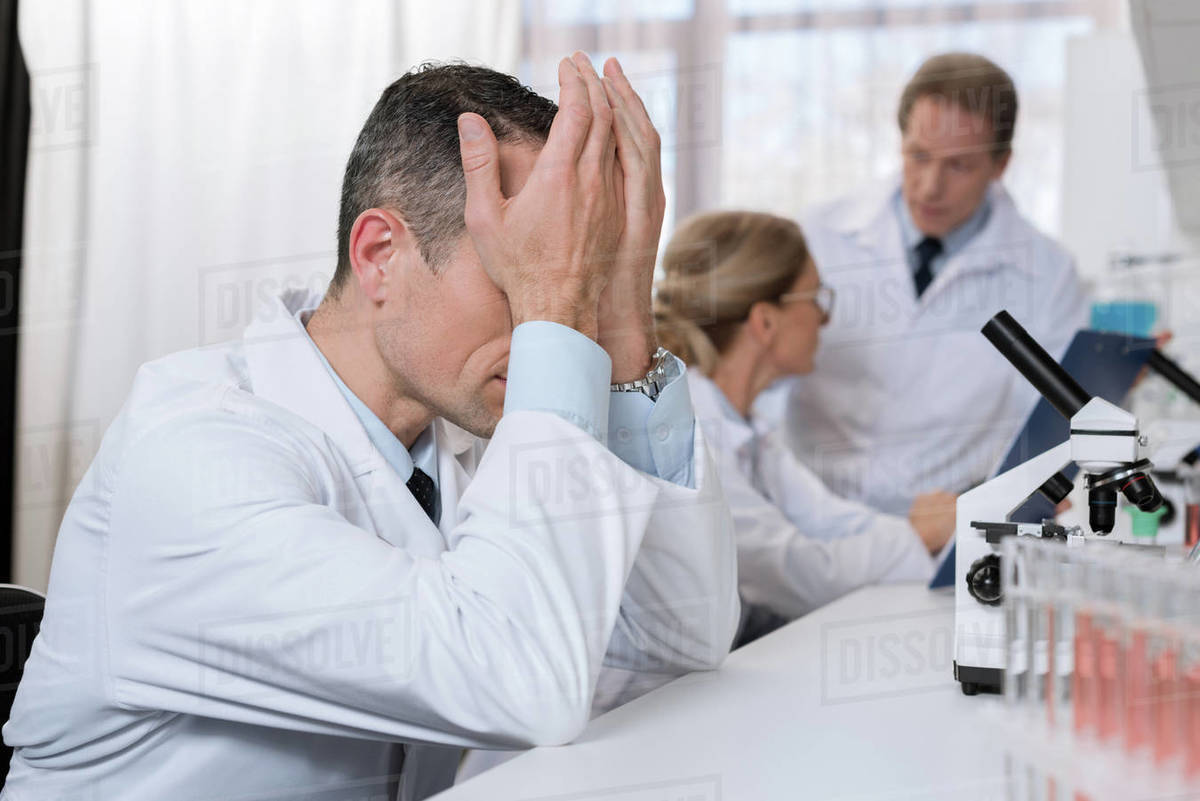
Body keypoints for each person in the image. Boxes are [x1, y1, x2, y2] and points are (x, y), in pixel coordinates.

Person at [0, 55, 740, 801]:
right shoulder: (192, 461)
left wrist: (619, 314)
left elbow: (677, 642)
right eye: (517, 270)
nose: (551, 316)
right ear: (381, 257)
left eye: (565, 275)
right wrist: (551, 302)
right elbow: (517, 679)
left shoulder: (462, 428)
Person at [764, 52, 1089, 518]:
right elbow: (756, 386)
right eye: (918, 156)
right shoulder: (819, 235)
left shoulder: (1048, 273)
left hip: (947, 535)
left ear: (1001, 165)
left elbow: (1047, 431)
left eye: (958, 166)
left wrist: (996, 508)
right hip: (812, 525)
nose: (929, 187)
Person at [655, 210, 956, 631]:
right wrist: (919, 535)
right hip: (654, 695)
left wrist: (956, 523)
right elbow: (795, 575)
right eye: (816, 298)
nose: (824, 318)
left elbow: (829, 520)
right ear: (764, 322)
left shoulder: (747, 425)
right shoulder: (690, 434)